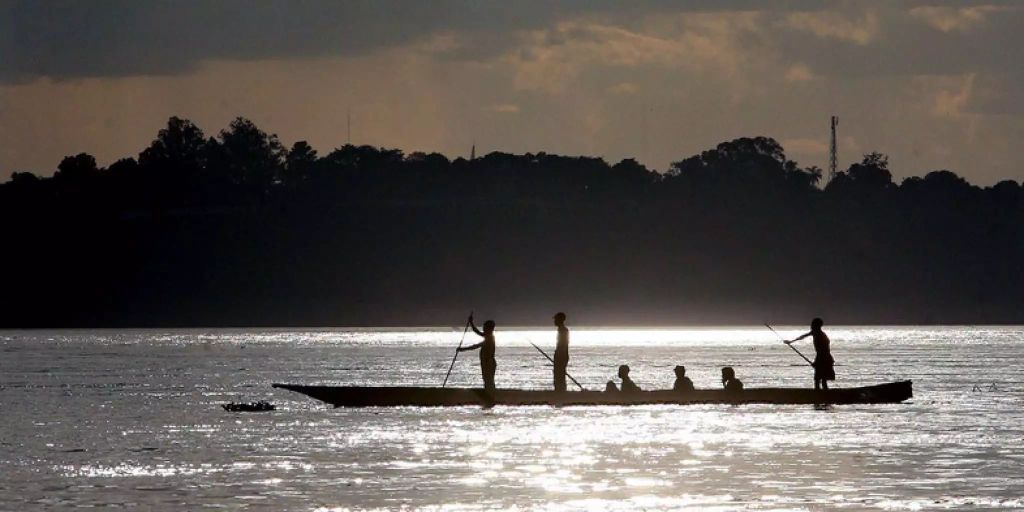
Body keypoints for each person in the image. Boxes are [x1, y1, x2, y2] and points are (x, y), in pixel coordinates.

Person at [785, 317, 835, 390]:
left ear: (816, 326)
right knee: (819, 378)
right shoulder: (814, 332)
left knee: (820, 378)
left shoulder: (821, 335)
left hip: (824, 358)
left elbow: (824, 350)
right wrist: (791, 341)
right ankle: (821, 394)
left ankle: (821, 395)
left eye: (812, 325)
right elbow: (803, 336)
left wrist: (817, 362)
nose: (811, 326)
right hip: (821, 357)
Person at [457, 314, 497, 392]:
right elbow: (477, 332)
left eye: (485, 327)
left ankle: (491, 395)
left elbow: (475, 346)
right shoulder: (487, 336)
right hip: (486, 362)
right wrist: (471, 323)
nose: (483, 329)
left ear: (489, 329)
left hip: (489, 363)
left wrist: (462, 349)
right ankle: (489, 394)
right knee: (487, 380)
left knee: (489, 381)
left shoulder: (490, 339)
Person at [552, 312, 570, 392]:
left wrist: (559, 355)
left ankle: (560, 392)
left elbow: (563, 344)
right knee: (559, 374)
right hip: (561, 355)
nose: (554, 321)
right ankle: (560, 391)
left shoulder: (563, 330)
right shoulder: (562, 330)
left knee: (559, 374)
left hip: (561, 356)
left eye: (556, 319)